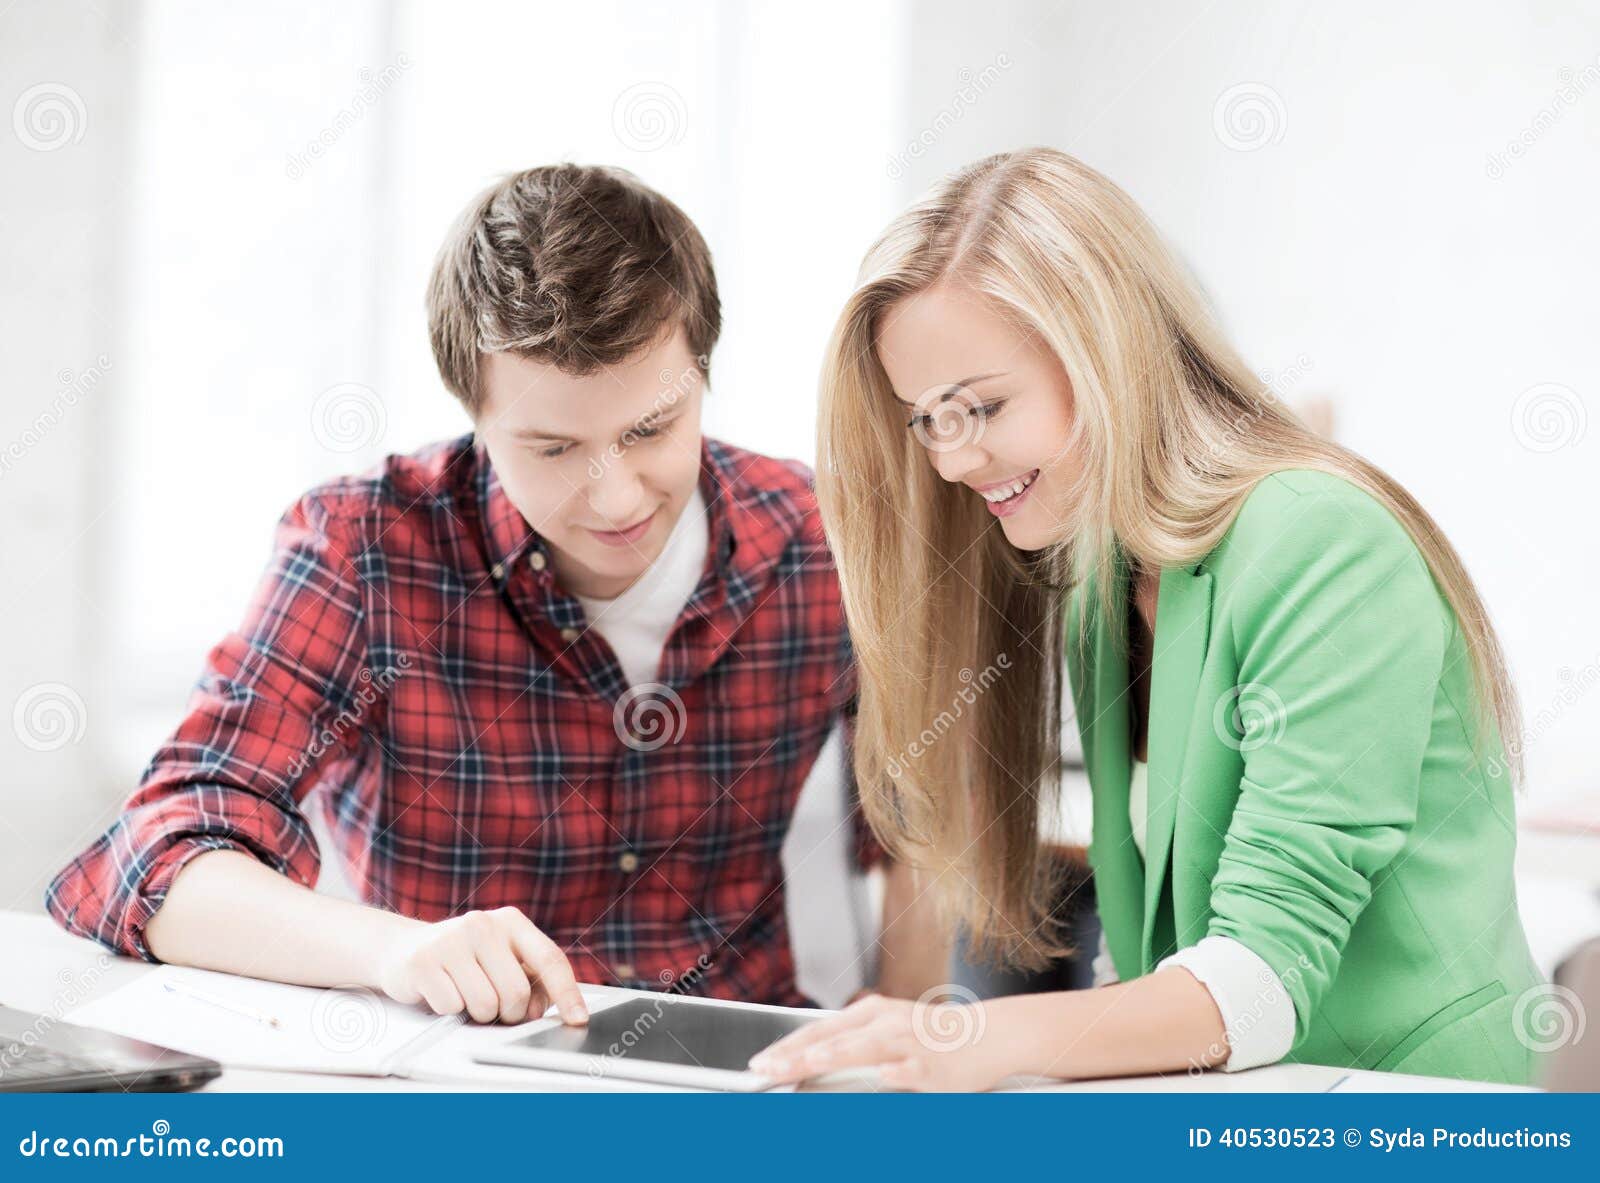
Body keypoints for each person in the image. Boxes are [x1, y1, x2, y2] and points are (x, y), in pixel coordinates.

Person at [47, 164, 942, 1026]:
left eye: (651, 429)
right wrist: (395, 949)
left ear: (703, 372)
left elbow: (931, 819)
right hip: (460, 1077)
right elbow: (153, 856)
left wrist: (905, 1030)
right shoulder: (365, 550)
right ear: (471, 413)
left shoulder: (825, 539)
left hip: (741, 1076)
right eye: (552, 449)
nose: (618, 496)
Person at [751, 147, 1543, 1089]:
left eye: (982, 407)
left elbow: (1258, 980)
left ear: (1107, 349)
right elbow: (1172, 953)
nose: (953, 460)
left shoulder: (1322, 536)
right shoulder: (1103, 571)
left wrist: (957, 1041)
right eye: (927, 419)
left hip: (1413, 1108)